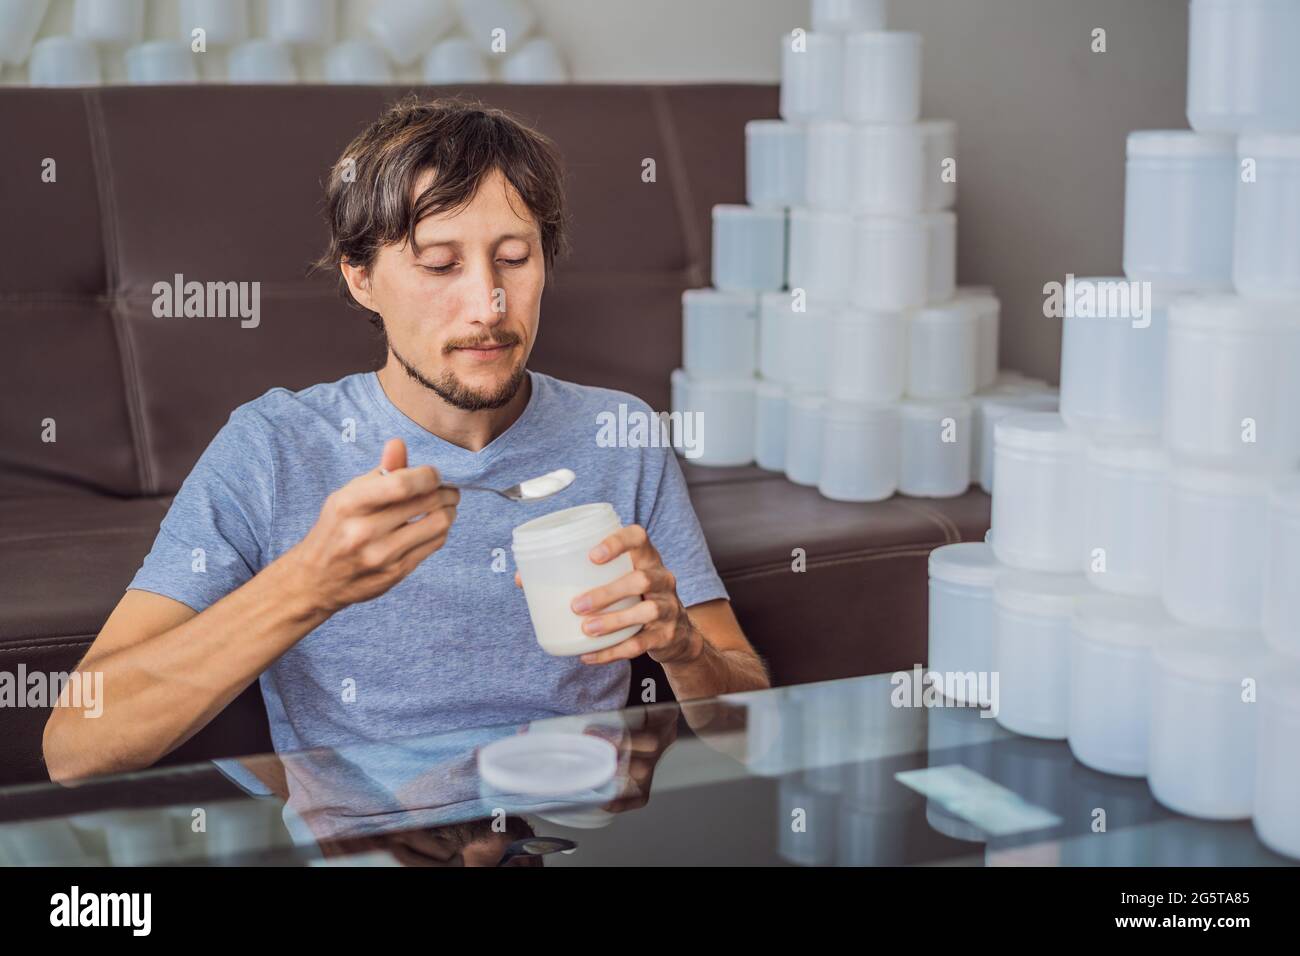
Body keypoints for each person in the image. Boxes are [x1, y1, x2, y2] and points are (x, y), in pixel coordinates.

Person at [43, 97, 768, 782]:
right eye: (440, 264)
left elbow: (746, 723)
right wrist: (307, 586)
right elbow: (75, 744)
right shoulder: (273, 447)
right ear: (361, 279)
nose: (487, 304)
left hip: (568, 829)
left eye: (514, 259)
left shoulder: (621, 433)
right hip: (374, 840)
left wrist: (684, 649)